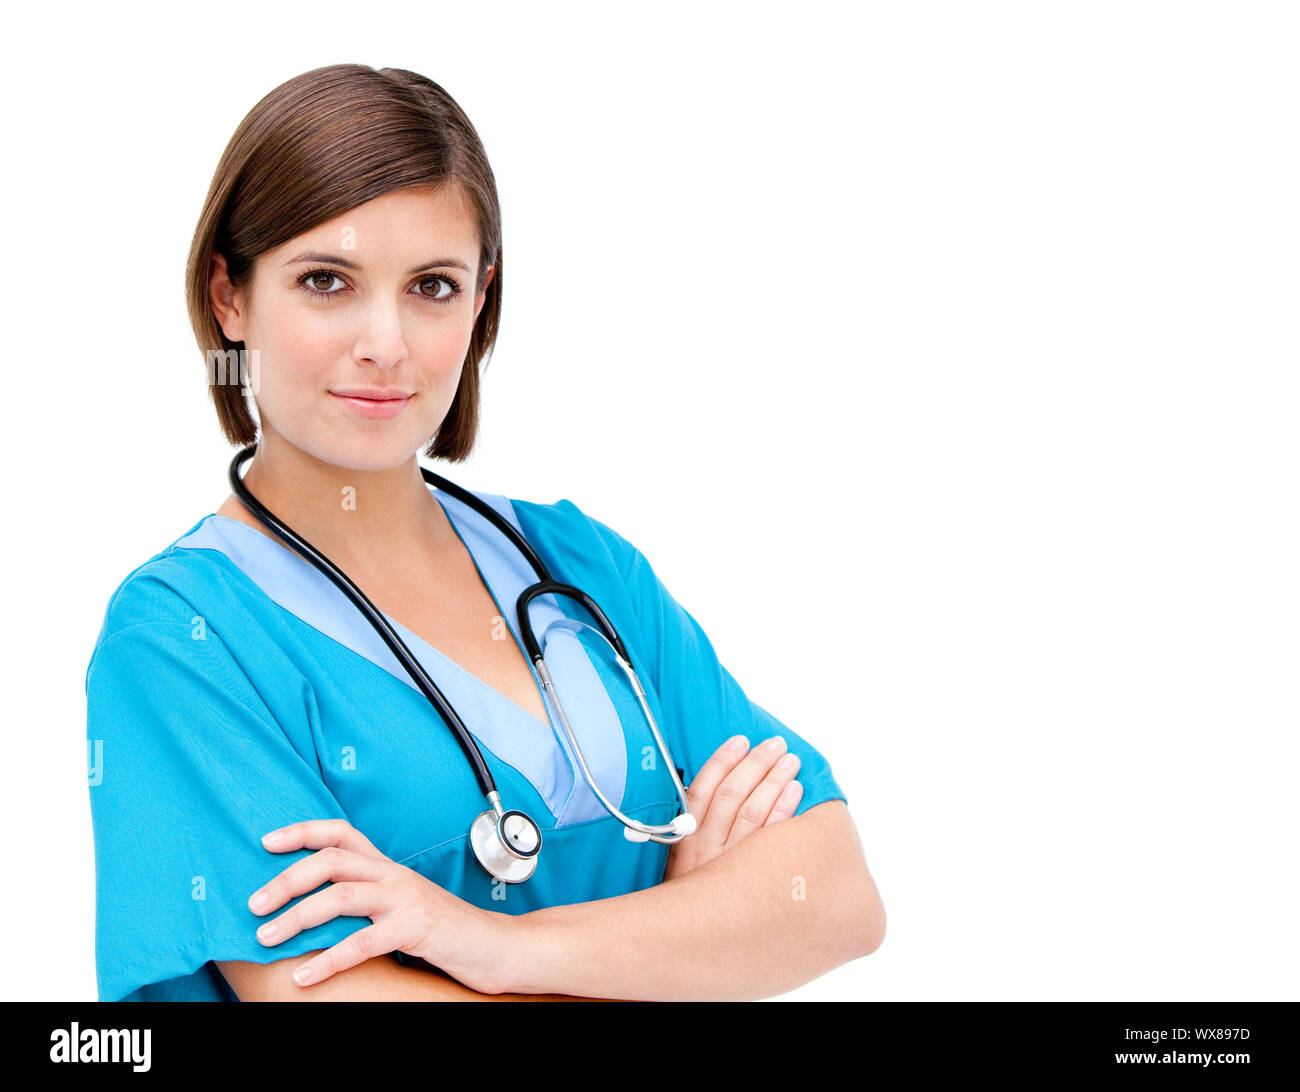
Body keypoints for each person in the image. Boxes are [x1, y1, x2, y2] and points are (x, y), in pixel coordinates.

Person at [84, 63, 886, 1002]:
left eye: (431, 286)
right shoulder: (183, 638)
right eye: (326, 280)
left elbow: (837, 896)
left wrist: (495, 948)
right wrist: (688, 937)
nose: (385, 342)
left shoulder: (580, 566)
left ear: (481, 299)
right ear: (230, 295)